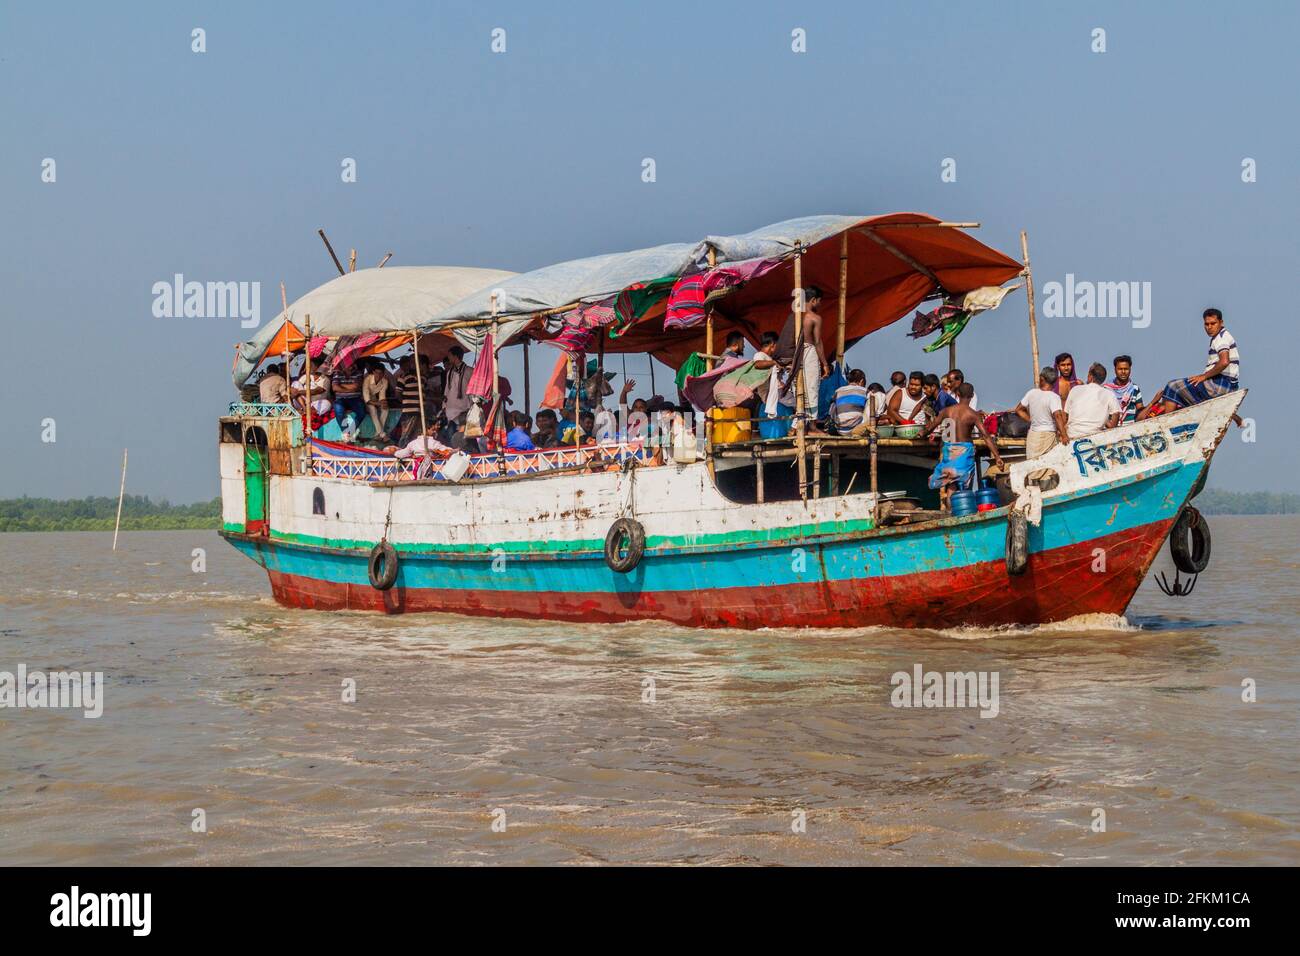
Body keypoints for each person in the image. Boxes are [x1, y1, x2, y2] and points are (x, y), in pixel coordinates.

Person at [921, 382, 1002, 510]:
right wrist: (997, 456)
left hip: (949, 451)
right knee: (964, 486)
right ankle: (962, 512)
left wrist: (921, 433)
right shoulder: (972, 414)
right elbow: (986, 436)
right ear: (972, 395)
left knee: (952, 487)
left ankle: (950, 512)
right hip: (964, 453)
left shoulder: (946, 411)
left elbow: (932, 426)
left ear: (957, 394)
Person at [1150, 308, 1241, 415]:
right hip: (1226, 384)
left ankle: (1165, 423)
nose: (1209, 327)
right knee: (1184, 393)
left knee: (1172, 387)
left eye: (1213, 323)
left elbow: (1224, 361)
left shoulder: (1221, 338)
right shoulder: (1219, 337)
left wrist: (1204, 376)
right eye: (1206, 324)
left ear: (1221, 322)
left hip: (1222, 383)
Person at [773, 285, 829, 419]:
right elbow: (817, 342)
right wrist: (825, 364)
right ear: (814, 300)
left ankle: (799, 423)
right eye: (819, 301)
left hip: (794, 358)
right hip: (808, 353)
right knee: (811, 389)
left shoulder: (793, 316)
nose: (820, 304)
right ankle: (811, 424)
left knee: (799, 390)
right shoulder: (814, 318)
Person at [1015, 367, 1070, 458]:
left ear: (1042, 378)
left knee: (1033, 465)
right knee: (1047, 466)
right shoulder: (1053, 397)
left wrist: (1031, 420)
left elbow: (1018, 410)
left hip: (1033, 435)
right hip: (1048, 435)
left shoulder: (1031, 393)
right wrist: (1064, 435)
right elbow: (1057, 416)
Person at [1063, 362, 1122, 439]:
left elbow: (1065, 416)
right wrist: (1109, 427)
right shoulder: (1109, 394)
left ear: (1091, 377)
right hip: (1095, 438)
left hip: (1072, 435)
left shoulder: (1075, 390)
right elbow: (1116, 414)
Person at [1104, 354, 1144, 424]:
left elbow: (1140, 412)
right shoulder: (1106, 389)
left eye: (1126, 369)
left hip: (1131, 430)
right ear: (1115, 370)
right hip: (1110, 431)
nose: (1123, 372)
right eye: (1120, 369)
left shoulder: (1135, 389)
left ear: (1130, 369)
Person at [330, 361, 366, 437]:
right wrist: (350, 389)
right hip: (341, 399)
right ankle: (346, 432)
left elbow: (356, 386)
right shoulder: (337, 373)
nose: (350, 365)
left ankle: (350, 431)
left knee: (362, 412)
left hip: (354, 398)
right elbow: (334, 388)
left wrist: (341, 386)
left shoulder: (358, 373)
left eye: (351, 364)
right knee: (338, 411)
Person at [441, 346, 474, 429]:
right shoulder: (450, 373)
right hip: (450, 410)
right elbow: (447, 391)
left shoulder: (469, 371)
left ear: (455, 356)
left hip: (464, 409)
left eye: (450, 356)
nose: (448, 358)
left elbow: (473, 391)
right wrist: (444, 406)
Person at [832, 369, 872, 435]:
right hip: (856, 429)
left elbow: (832, 411)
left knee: (834, 404)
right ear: (862, 381)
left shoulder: (837, 391)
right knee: (873, 398)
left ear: (848, 381)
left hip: (840, 430)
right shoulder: (865, 391)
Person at [383, 422, 453, 459]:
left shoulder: (413, 443)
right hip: (431, 469)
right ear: (426, 430)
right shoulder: (433, 442)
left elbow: (402, 454)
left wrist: (395, 452)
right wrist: (455, 451)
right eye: (433, 430)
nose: (435, 432)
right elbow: (445, 450)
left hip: (417, 469)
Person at [362, 360, 392, 440]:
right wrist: (378, 404)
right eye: (376, 372)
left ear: (383, 373)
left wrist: (383, 403)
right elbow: (366, 398)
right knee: (373, 410)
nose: (378, 375)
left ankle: (377, 434)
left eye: (380, 373)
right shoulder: (367, 379)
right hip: (365, 400)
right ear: (373, 372)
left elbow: (382, 395)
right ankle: (382, 434)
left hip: (375, 400)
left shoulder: (385, 381)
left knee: (385, 409)